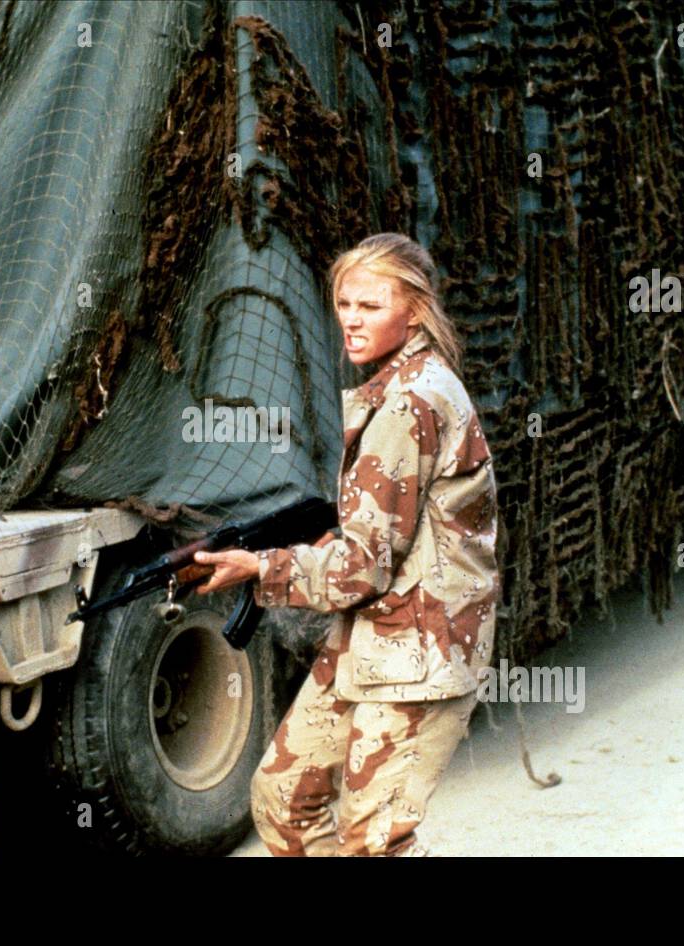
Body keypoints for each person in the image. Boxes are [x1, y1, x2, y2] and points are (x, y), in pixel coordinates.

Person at [194, 232, 499, 857]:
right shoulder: (399, 384)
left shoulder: (409, 403)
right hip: (375, 633)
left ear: (414, 309)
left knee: (373, 841)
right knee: (284, 799)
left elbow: (362, 567)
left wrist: (262, 568)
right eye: (344, 305)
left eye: (371, 306)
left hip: (421, 650)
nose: (352, 322)